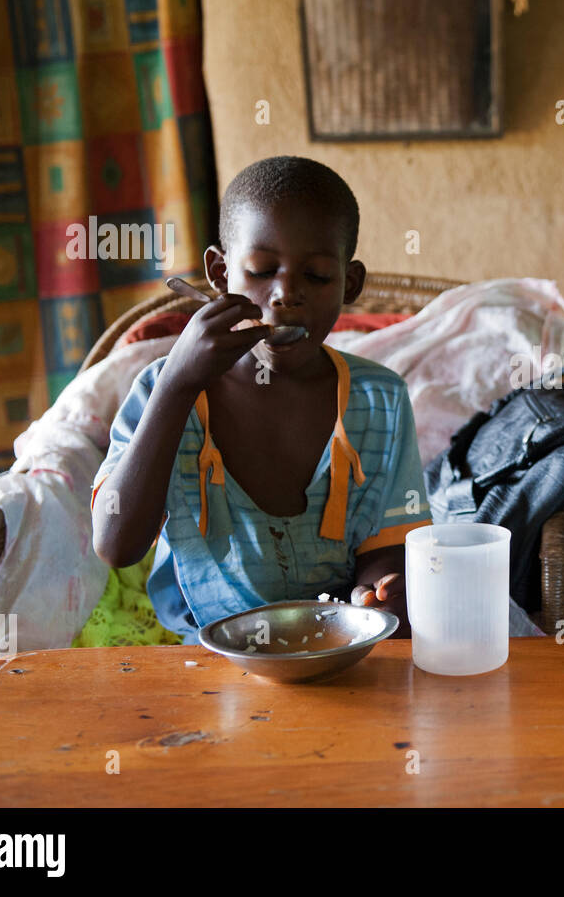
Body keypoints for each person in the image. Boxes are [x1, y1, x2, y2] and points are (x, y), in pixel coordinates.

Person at [92, 156, 430, 641]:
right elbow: (116, 545)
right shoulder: (163, 389)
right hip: (202, 658)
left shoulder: (381, 400)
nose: (286, 295)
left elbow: (383, 551)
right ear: (218, 271)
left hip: (335, 648)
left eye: (315, 277)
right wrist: (178, 385)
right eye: (261, 270)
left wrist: (379, 591)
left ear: (350, 283)